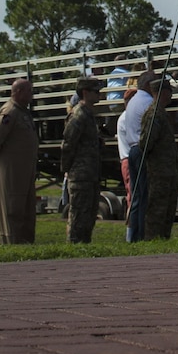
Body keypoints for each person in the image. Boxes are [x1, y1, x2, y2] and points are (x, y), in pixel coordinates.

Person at [0, 78, 39, 244]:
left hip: (25, 169)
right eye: (28, 91)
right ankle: (12, 240)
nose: (31, 94)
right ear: (18, 92)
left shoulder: (23, 112)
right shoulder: (10, 112)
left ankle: (25, 241)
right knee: (13, 205)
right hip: (12, 169)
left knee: (26, 206)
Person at [62, 76, 104, 243]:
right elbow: (68, 144)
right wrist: (67, 169)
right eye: (96, 91)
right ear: (85, 92)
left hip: (90, 173)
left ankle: (84, 246)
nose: (99, 94)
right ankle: (74, 246)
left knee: (89, 215)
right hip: (80, 175)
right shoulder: (78, 115)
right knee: (78, 215)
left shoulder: (88, 114)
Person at [139, 77, 178, 240]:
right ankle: (153, 237)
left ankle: (163, 237)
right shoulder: (154, 114)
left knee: (168, 207)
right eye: (169, 92)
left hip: (167, 169)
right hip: (158, 170)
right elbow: (146, 142)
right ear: (162, 92)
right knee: (157, 207)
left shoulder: (161, 113)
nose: (171, 95)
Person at [119, 69, 157, 239]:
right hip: (143, 150)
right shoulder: (149, 102)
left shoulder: (133, 102)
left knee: (136, 196)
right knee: (144, 195)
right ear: (149, 84)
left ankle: (133, 234)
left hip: (133, 149)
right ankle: (141, 234)